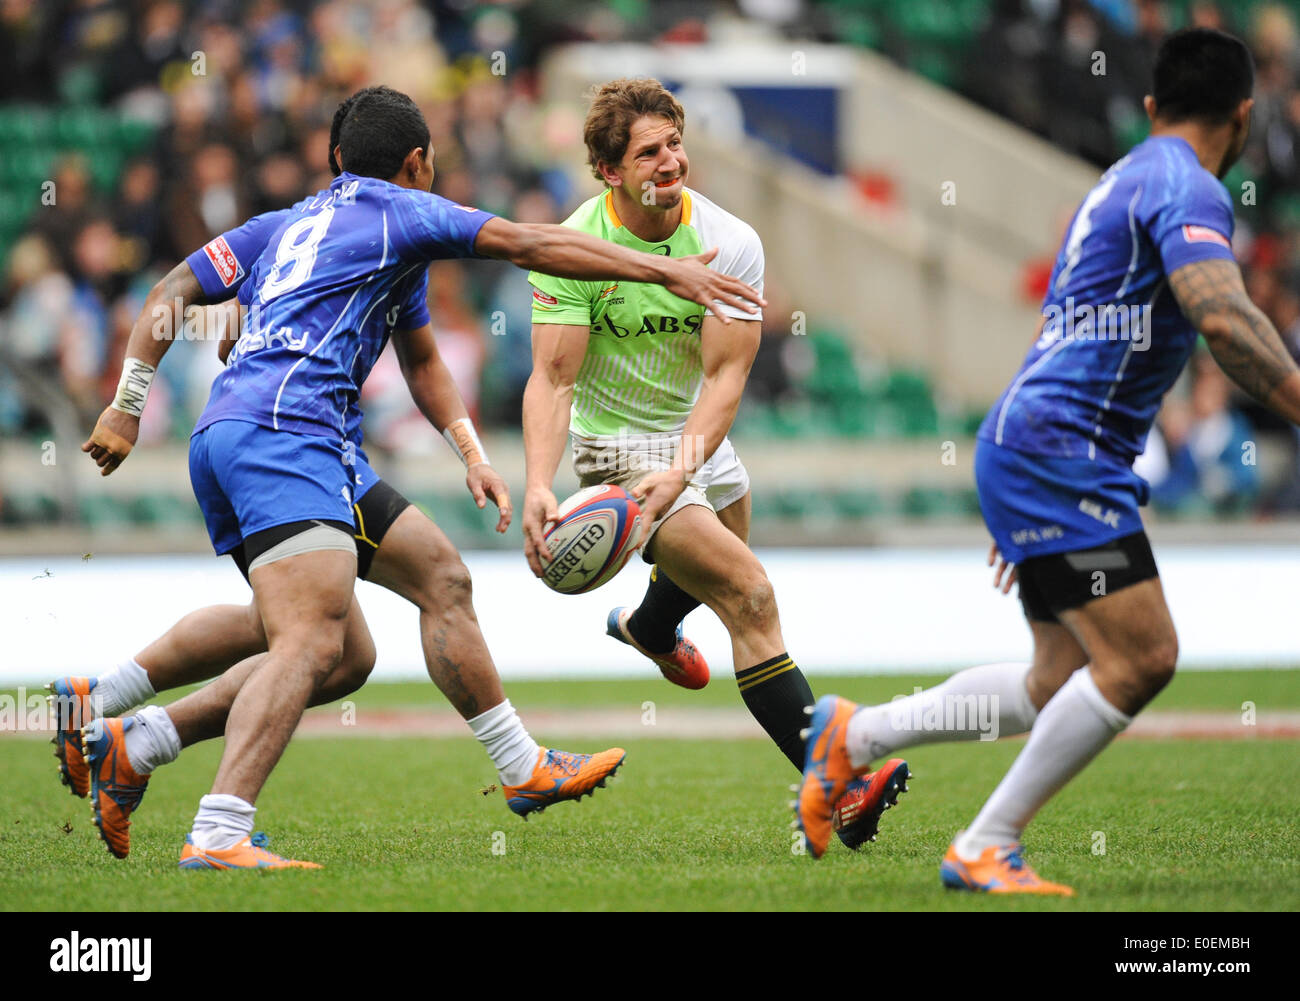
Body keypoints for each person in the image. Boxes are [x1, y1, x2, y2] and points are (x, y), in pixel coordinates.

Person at [70, 85, 765, 870]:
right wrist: (659, 271)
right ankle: (219, 829)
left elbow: (407, 354)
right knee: (308, 635)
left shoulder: (290, 224)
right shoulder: (406, 213)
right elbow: (533, 244)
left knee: (413, 597)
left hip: (261, 436)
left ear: (337, 158)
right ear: (418, 163)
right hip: (283, 435)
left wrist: (471, 453)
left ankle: (131, 730)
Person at [794, 28, 1300, 892]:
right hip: (1058, 453)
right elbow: (1221, 317)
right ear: (1245, 114)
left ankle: (858, 734)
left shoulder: (1121, 181)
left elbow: (1067, 327)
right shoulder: (1190, 188)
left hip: (1037, 446)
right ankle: (986, 843)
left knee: (1056, 674)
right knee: (1141, 657)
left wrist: (1018, 484)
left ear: (1149, 108)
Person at [520, 78, 909, 851]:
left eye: (674, 144)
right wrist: (539, 480)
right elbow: (555, 379)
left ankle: (649, 622)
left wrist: (685, 465)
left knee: (730, 584)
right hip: (614, 448)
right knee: (749, 594)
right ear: (606, 170)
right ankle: (835, 786)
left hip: (698, 436)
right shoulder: (575, 246)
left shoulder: (732, 242)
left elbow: (727, 377)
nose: (670, 163)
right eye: (647, 153)